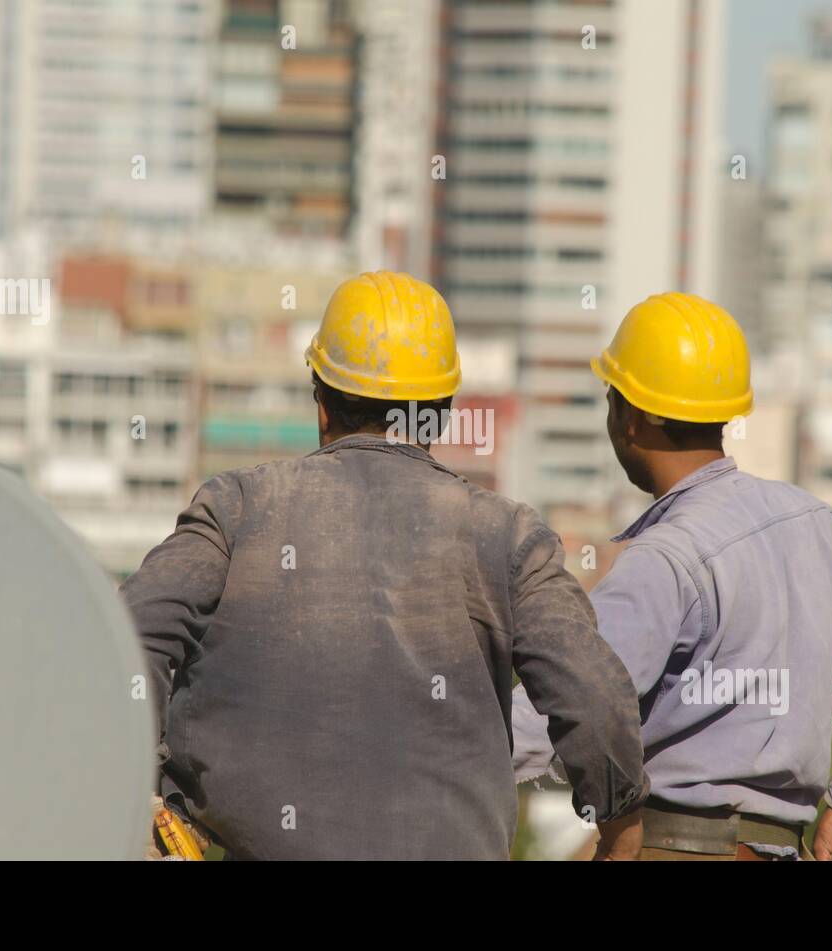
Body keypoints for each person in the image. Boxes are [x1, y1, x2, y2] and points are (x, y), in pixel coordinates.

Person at [122, 270, 649, 860]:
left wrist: (135, 789)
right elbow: (593, 695)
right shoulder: (507, 537)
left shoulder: (240, 509)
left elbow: (128, 637)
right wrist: (620, 827)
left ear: (322, 401)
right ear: (442, 413)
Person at [511, 292, 832, 861]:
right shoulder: (820, 526)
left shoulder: (663, 559)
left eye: (613, 394)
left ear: (635, 414)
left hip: (670, 845)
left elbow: (571, 698)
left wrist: (428, 743)